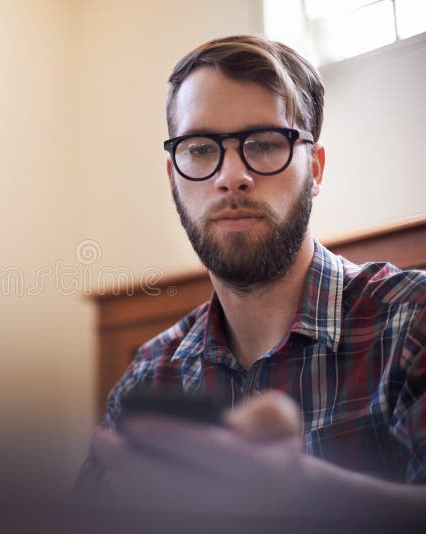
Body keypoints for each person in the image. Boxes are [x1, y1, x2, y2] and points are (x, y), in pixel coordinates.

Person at [76, 35, 426, 519]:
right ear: (173, 177)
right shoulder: (148, 374)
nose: (231, 176)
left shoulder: (413, 323)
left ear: (315, 169)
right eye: (200, 149)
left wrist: (306, 495)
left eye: (263, 144)